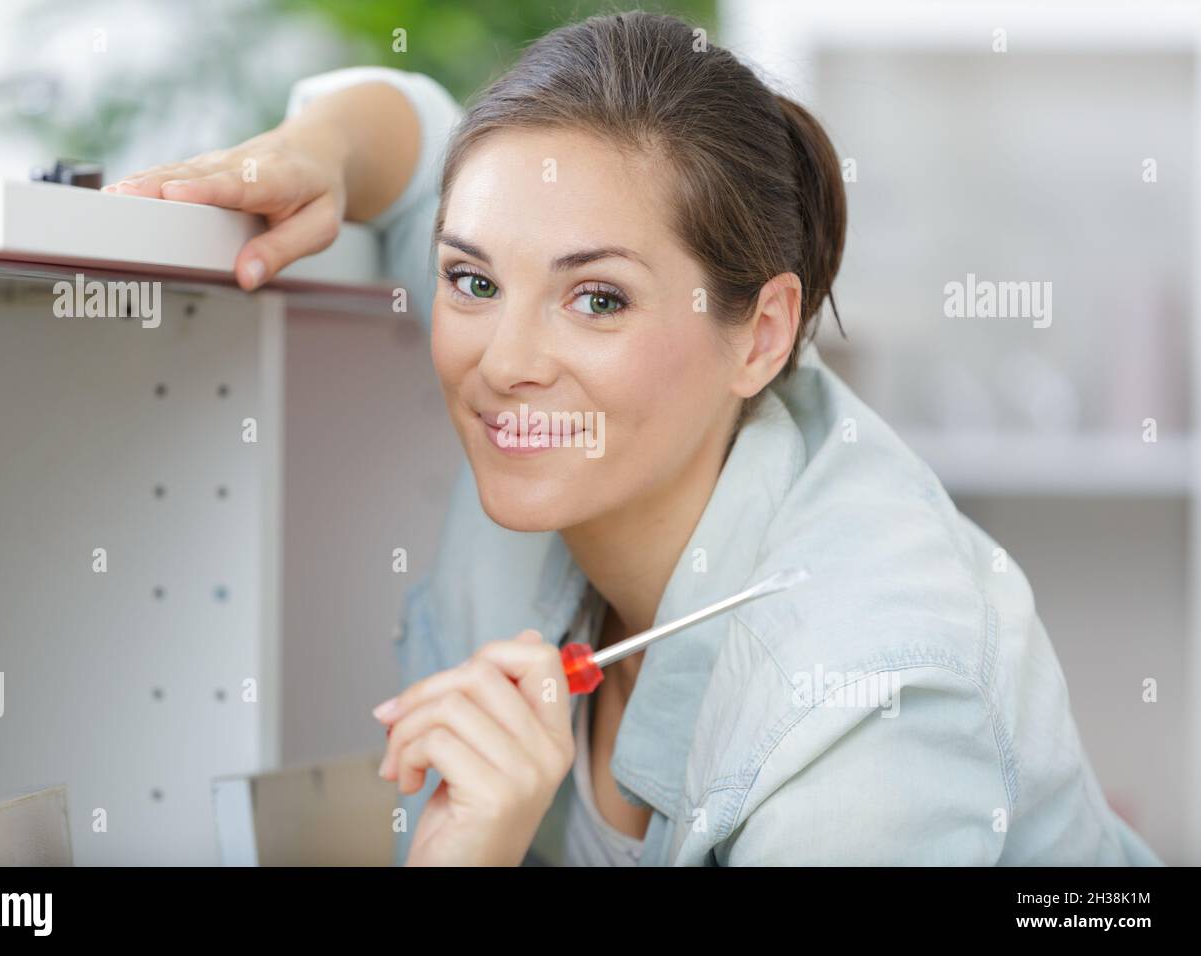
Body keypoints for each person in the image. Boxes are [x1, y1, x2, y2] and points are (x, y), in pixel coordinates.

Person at [108, 10, 1162, 867]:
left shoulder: (868, 711)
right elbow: (409, 132)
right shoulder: (563, 388)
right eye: (471, 280)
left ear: (758, 335)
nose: (504, 358)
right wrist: (314, 151)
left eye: (597, 299)